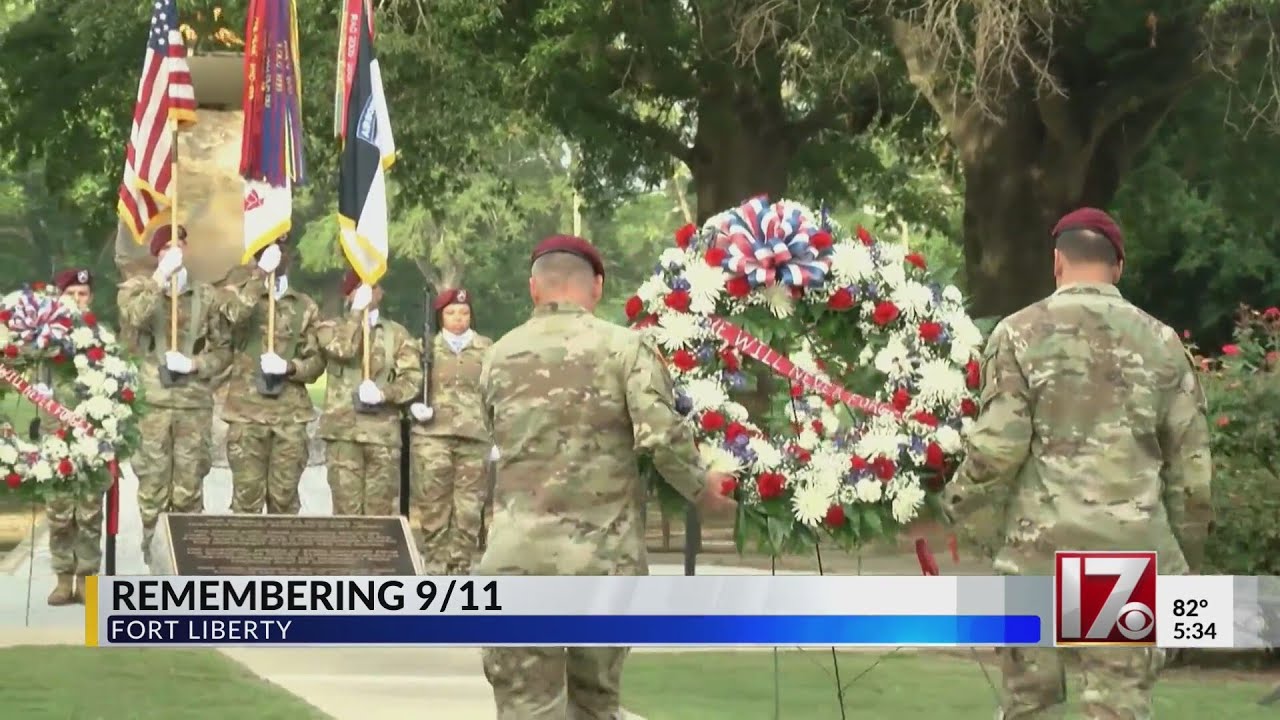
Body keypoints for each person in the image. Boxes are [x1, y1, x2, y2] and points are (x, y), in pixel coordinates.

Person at [945, 208, 1213, 719]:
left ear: (1056, 262)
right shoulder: (1162, 343)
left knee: (1031, 705)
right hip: (1126, 560)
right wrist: (1186, 561)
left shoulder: (1017, 334)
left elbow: (998, 447)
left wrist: (958, 503)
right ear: (1119, 267)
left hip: (1037, 556)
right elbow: (1192, 473)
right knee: (1115, 708)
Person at [477, 234, 737, 719]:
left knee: (525, 707)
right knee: (595, 705)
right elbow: (659, 436)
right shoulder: (624, 349)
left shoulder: (497, 356)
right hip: (601, 565)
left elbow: (493, 439)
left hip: (516, 564)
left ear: (534, 288)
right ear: (596, 286)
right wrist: (703, 492)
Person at [117, 224, 233, 562]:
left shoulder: (206, 296)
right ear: (157, 254)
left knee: (188, 487)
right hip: (152, 404)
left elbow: (223, 351)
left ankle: (187, 558)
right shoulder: (135, 289)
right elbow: (135, 318)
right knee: (152, 488)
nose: (176, 251)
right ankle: (154, 559)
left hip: (192, 405)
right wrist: (159, 280)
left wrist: (195, 364)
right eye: (167, 246)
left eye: (180, 244)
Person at [216, 238, 325, 515]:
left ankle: (285, 560)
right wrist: (259, 276)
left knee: (285, 501)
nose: (277, 256)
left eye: (281, 250)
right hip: (247, 415)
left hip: (290, 418)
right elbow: (233, 317)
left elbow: (316, 362)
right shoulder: (237, 295)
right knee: (247, 501)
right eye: (267, 251)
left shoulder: (305, 306)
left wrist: (290, 368)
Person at [315, 271, 422, 515]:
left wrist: (385, 394)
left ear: (381, 292)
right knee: (346, 513)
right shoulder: (330, 328)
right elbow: (343, 350)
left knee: (380, 515)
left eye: (373, 287)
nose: (368, 292)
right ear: (348, 294)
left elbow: (413, 379)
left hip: (382, 435)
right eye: (359, 289)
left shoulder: (397, 334)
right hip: (344, 434)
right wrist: (356, 314)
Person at [408, 287, 495, 573]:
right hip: (432, 436)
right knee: (434, 505)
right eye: (451, 313)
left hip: (474, 436)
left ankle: (460, 568)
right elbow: (408, 384)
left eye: (464, 312)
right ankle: (435, 566)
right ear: (440, 316)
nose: (458, 318)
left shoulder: (486, 349)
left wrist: (497, 434)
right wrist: (412, 407)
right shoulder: (425, 347)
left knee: (468, 509)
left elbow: (497, 392)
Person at [43, 269, 107, 604]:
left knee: (89, 512)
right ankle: (62, 578)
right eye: (72, 294)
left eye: (83, 294)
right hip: (56, 433)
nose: (78, 300)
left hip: (91, 437)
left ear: (90, 298)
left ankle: (86, 578)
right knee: (58, 511)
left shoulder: (103, 337)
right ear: (60, 297)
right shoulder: (45, 336)